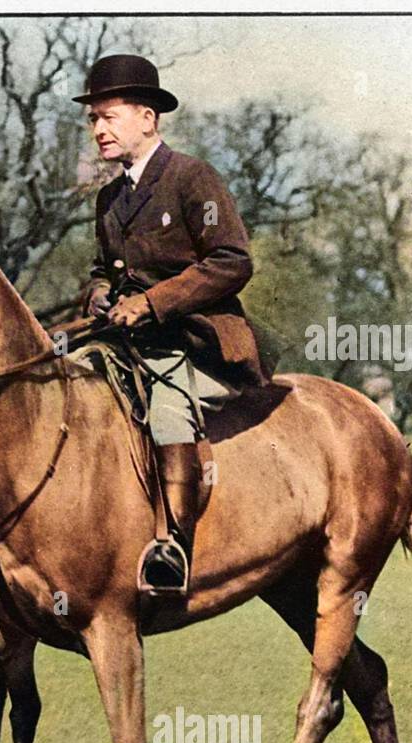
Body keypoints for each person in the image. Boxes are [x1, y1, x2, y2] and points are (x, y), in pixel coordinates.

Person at [75, 53, 268, 595]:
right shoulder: (110, 196)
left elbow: (233, 260)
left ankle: (171, 544)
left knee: (166, 406)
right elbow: (101, 267)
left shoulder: (192, 178)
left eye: (108, 116)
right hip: (124, 337)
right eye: (93, 120)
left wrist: (153, 302)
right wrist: (98, 293)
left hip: (194, 338)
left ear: (147, 118)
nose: (98, 129)